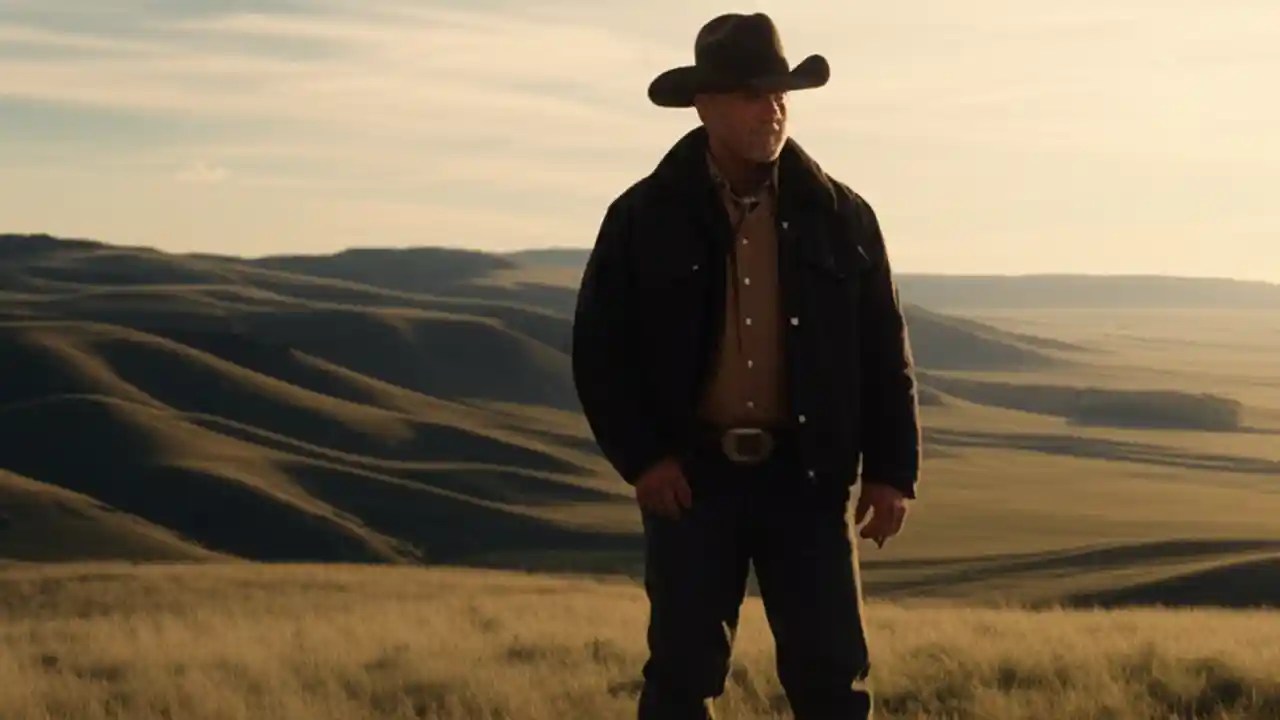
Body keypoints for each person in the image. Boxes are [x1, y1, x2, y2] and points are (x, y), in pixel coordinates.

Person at [571, 12, 922, 719]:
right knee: (681, 677)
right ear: (705, 105)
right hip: (694, 483)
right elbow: (600, 352)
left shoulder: (842, 216)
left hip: (810, 476)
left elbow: (884, 350)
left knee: (833, 683)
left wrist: (891, 472)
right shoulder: (643, 217)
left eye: (782, 94)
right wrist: (644, 460)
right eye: (752, 95)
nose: (774, 109)